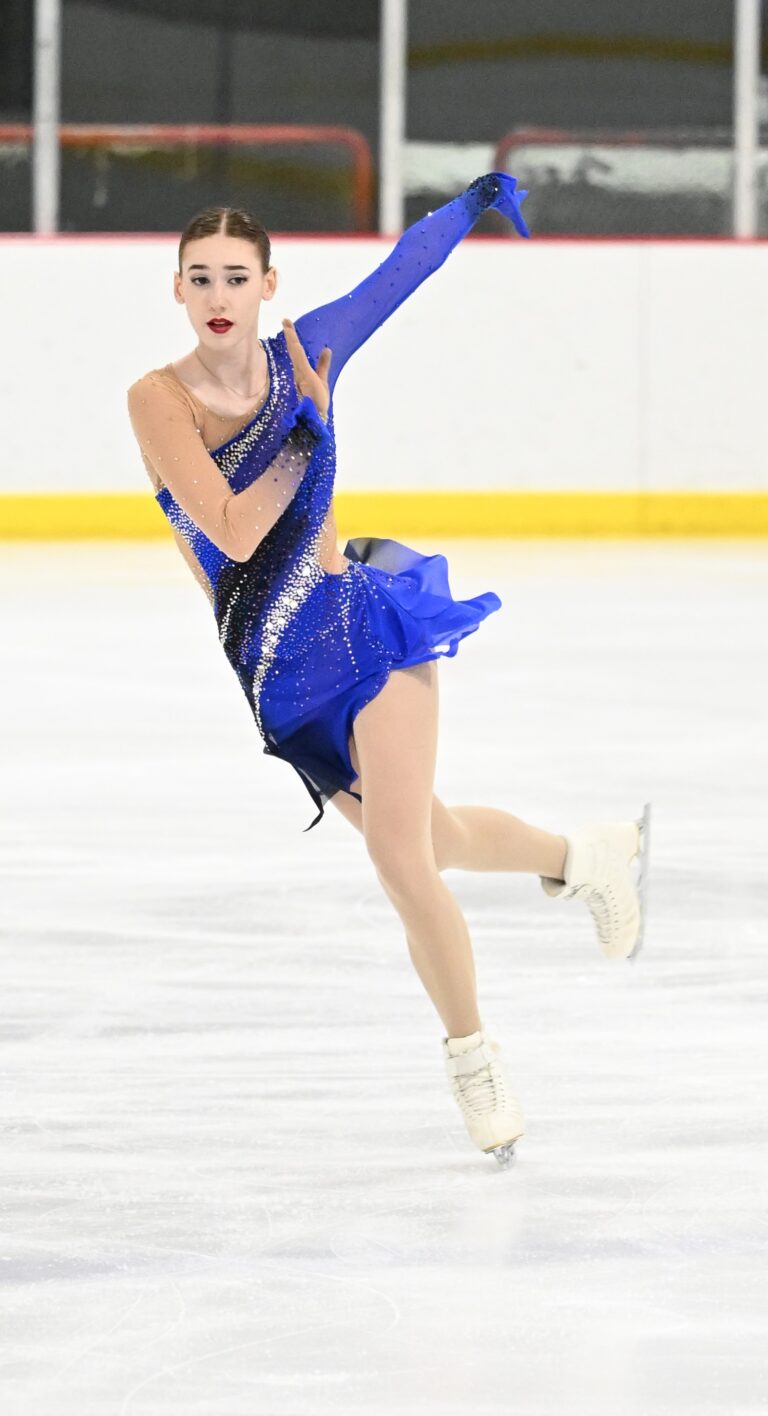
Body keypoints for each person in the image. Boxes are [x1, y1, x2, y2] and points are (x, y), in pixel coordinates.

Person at [127, 173, 650, 1169]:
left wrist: (474, 203)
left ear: (269, 282)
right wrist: (311, 433)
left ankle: (474, 1060)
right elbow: (236, 534)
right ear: (180, 291)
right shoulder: (158, 402)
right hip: (278, 678)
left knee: (401, 859)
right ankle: (589, 857)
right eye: (201, 278)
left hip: (362, 629)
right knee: (436, 838)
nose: (219, 294)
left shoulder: (305, 348)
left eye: (237, 275)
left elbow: (399, 274)